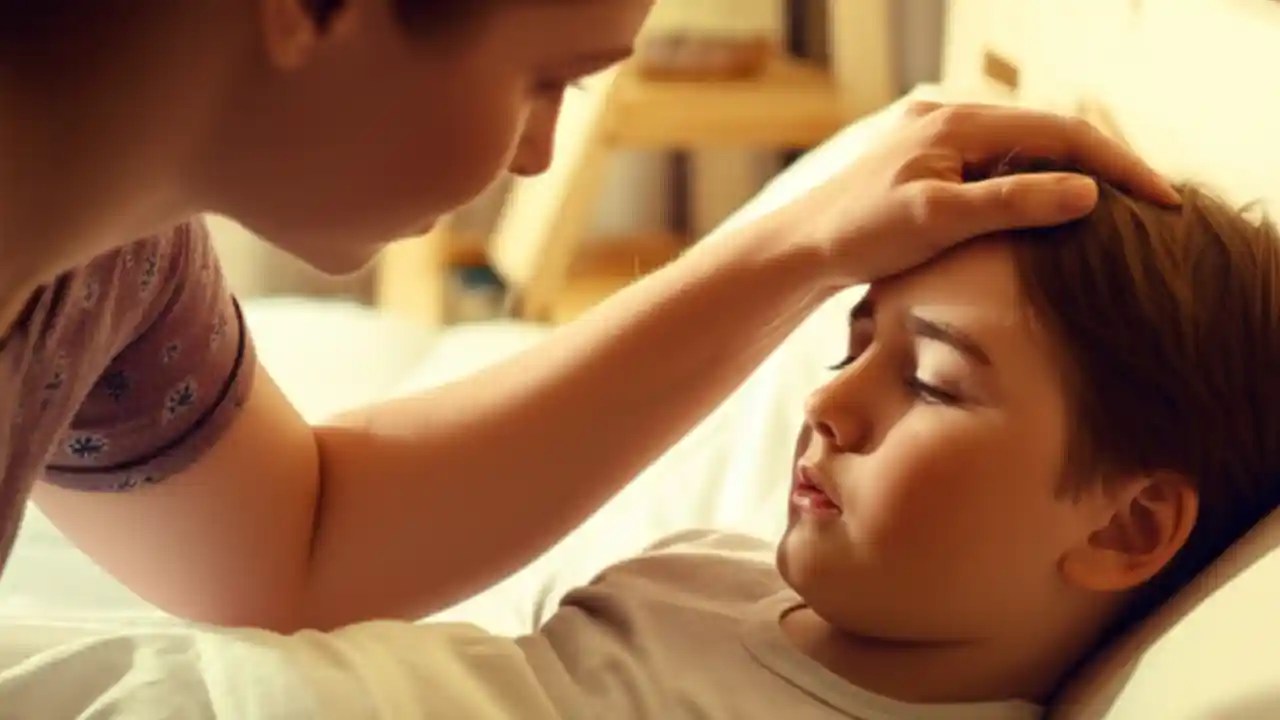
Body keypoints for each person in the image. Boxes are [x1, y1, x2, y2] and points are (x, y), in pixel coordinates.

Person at [0, 0, 1178, 637]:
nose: (538, 153)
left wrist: (797, 250)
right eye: (546, 77)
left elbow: (291, 546)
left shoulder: (116, 271)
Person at [508, 166, 1280, 718]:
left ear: (1124, 526)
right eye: (854, 349)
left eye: (932, 382)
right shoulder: (698, 568)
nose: (827, 401)